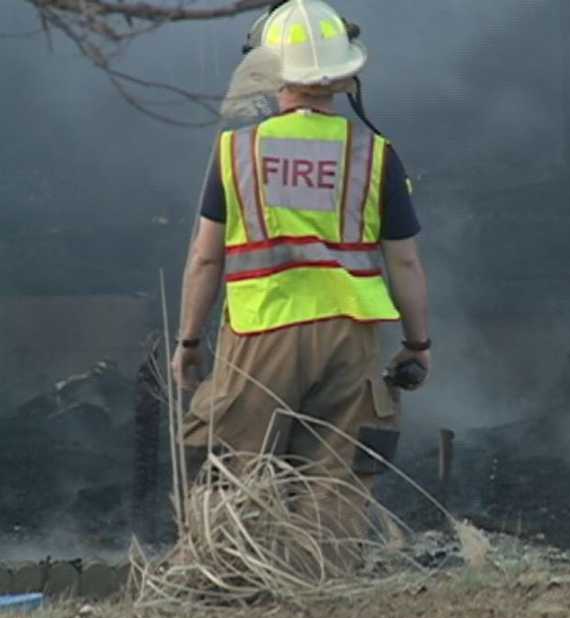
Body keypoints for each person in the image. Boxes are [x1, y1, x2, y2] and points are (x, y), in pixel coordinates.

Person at [170, 0, 430, 551]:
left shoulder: (236, 151)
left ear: (269, 70)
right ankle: (320, 590)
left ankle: (234, 586)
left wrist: (189, 341)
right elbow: (404, 261)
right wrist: (417, 344)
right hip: (349, 337)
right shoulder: (376, 155)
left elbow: (205, 259)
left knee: (233, 473)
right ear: (342, 76)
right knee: (333, 485)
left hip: (262, 331)